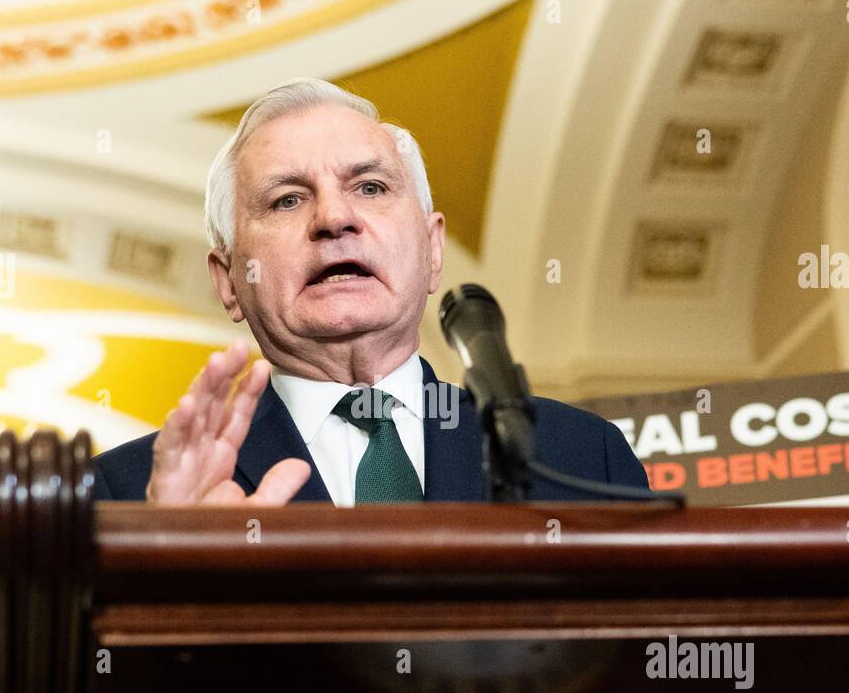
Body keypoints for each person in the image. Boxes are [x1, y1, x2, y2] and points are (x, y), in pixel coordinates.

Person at [91, 78, 647, 505]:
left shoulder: (579, 456)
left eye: (371, 187)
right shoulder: (125, 495)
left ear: (433, 252)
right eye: (287, 199)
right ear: (228, 282)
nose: (334, 217)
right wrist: (175, 569)